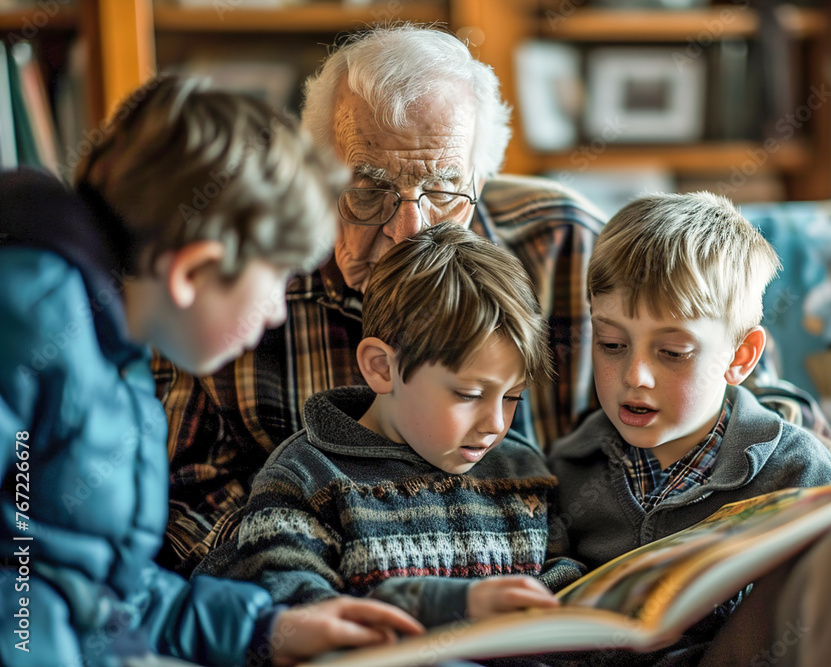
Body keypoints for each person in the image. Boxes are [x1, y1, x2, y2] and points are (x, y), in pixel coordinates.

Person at [153, 24, 607, 577]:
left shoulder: (568, 246)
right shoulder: (246, 278)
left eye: (442, 191)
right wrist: (315, 573)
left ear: (482, 178)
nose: (409, 230)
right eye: (368, 192)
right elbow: (182, 494)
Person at [0, 76, 422, 667]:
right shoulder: (26, 317)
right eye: (274, 277)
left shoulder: (118, 357)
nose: (277, 309)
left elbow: (104, 593)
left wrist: (269, 630)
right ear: (194, 270)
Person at [194, 223, 586, 629]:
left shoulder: (520, 471)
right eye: (469, 394)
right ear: (382, 368)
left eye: (512, 397)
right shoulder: (307, 479)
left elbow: (559, 575)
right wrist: (441, 605)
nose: (496, 424)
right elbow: (294, 608)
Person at [547, 193, 831, 663]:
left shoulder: (798, 472)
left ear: (741, 357)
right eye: (611, 344)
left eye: (672, 353)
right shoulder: (569, 465)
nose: (635, 376)